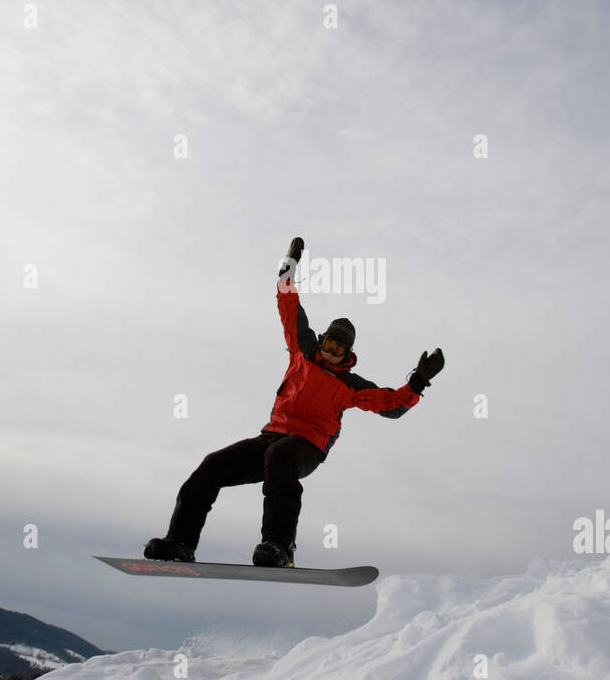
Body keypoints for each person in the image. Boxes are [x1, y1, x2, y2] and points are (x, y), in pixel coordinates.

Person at [145, 237, 444, 567]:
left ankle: (279, 546)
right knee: (212, 466)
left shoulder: (349, 385)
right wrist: (288, 268)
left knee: (282, 456)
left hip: (307, 447)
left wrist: (418, 381)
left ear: (348, 355)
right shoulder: (302, 351)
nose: (330, 352)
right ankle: (180, 543)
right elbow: (288, 307)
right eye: (328, 344)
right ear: (322, 341)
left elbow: (392, 406)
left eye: (338, 350)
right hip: (271, 437)